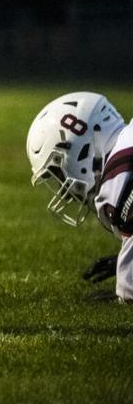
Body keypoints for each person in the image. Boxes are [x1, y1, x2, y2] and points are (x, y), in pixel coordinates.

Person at [25, 91, 133, 302]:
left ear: (78, 150)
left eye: (58, 173)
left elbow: (130, 291)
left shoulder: (117, 183)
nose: (65, 192)